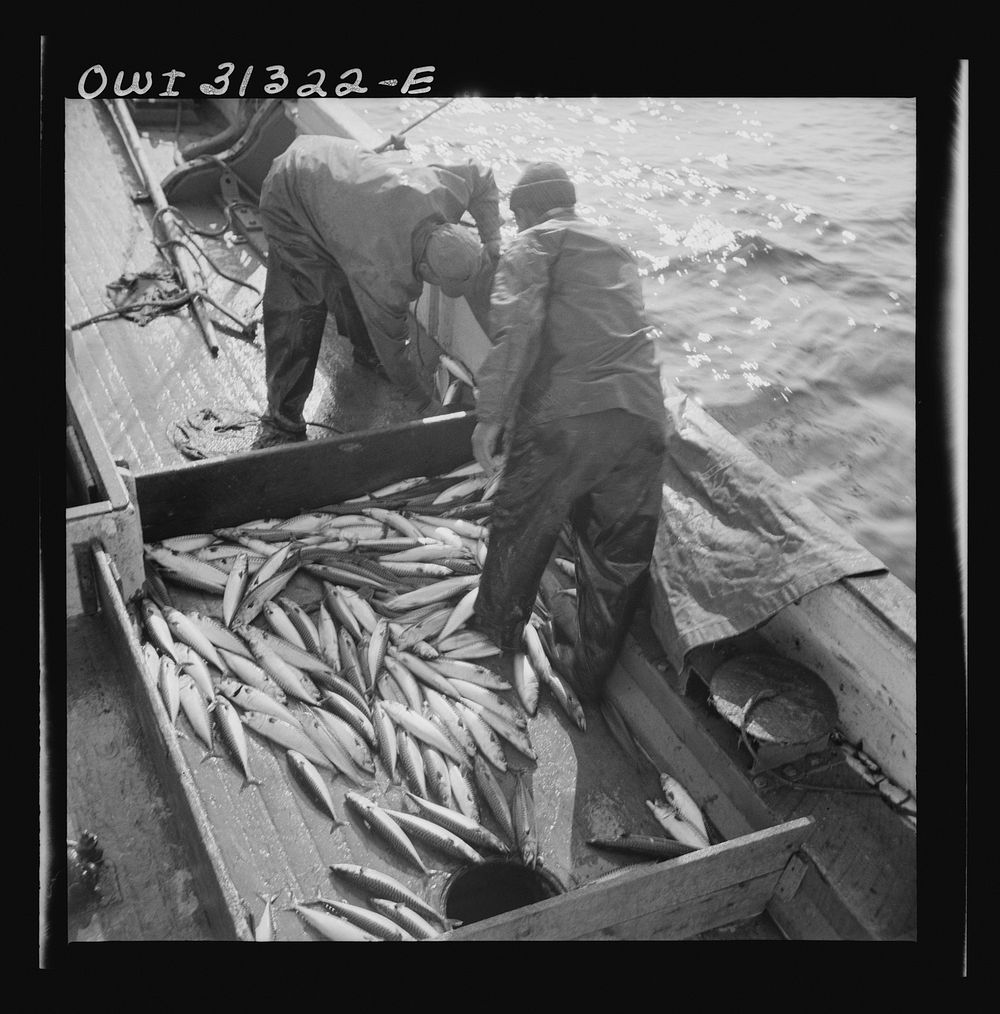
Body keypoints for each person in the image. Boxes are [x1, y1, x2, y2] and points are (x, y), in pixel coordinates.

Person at [471, 162, 668, 705]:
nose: (514, 226)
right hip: (645, 415)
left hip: (569, 415)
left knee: (522, 519)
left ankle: (495, 636)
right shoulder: (615, 244)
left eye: (514, 216)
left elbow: (517, 332)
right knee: (616, 557)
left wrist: (491, 418)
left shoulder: (534, 243)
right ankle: (585, 673)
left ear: (530, 210)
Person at [253, 133, 502, 447]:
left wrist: (492, 237)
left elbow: (482, 175)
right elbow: (394, 348)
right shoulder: (383, 273)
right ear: (424, 270)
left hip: (335, 167)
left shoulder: (444, 190)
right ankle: (282, 419)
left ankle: (366, 352)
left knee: (351, 274)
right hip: (291, 188)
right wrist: (425, 405)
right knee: (302, 306)